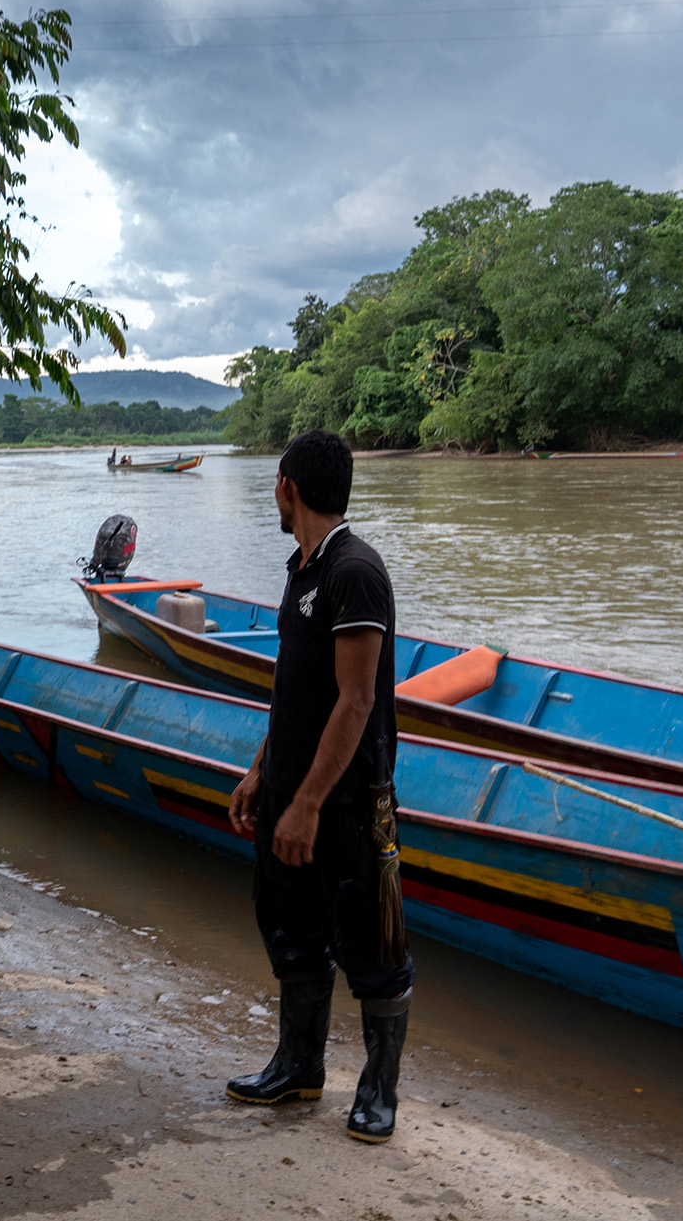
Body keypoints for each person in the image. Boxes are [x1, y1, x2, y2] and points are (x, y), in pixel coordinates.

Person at [226, 428, 413, 1145]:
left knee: (372, 943)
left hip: (343, 803)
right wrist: (260, 771)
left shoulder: (355, 571)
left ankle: (378, 1091)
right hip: (289, 790)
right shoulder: (303, 568)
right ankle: (299, 1066)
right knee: (293, 930)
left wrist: (307, 802)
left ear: (287, 487)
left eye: (277, 484)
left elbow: (356, 702)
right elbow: (296, 691)